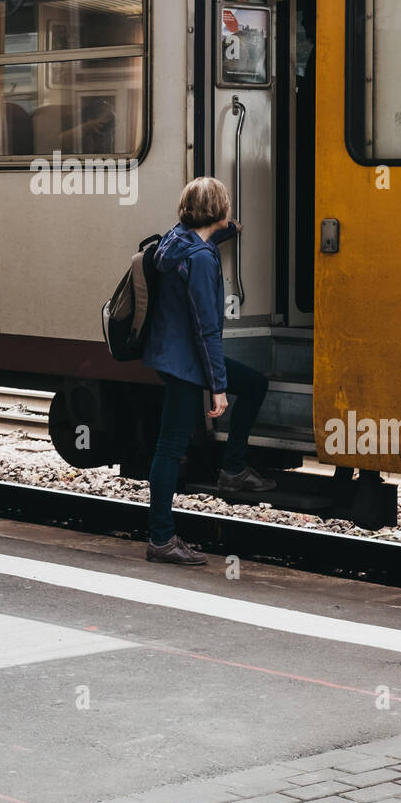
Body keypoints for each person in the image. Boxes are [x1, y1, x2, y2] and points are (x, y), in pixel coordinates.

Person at [142, 176, 275, 566]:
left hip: (172, 357)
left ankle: (232, 468)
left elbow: (202, 239)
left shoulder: (178, 241)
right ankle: (162, 539)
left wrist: (225, 231)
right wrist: (217, 387)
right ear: (218, 210)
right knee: (169, 450)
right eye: (227, 206)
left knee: (253, 385)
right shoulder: (199, 260)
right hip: (186, 365)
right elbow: (206, 330)